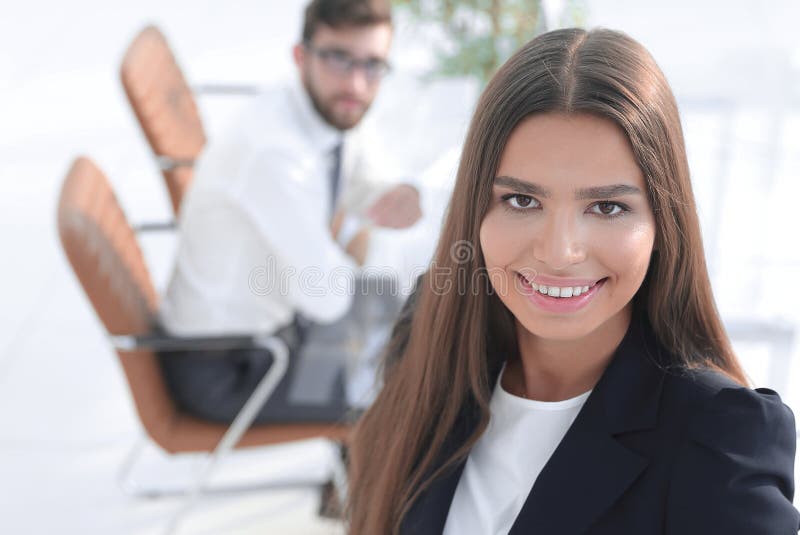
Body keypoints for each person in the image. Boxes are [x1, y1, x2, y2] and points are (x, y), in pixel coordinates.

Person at [347, 28, 800, 534]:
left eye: (607, 207)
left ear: (661, 225)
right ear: (477, 209)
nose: (559, 252)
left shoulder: (718, 435)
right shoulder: (430, 340)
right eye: (522, 201)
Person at [157, 0, 422, 424]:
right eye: (338, 59)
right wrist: (360, 244)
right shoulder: (275, 154)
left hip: (273, 334)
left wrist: (397, 194)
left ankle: (356, 472)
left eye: (372, 65)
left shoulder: (322, 109)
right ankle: (371, 478)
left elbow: (366, 175)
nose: (356, 84)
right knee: (423, 384)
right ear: (301, 56)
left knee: (418, 321)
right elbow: (329, 299)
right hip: (236, 369)